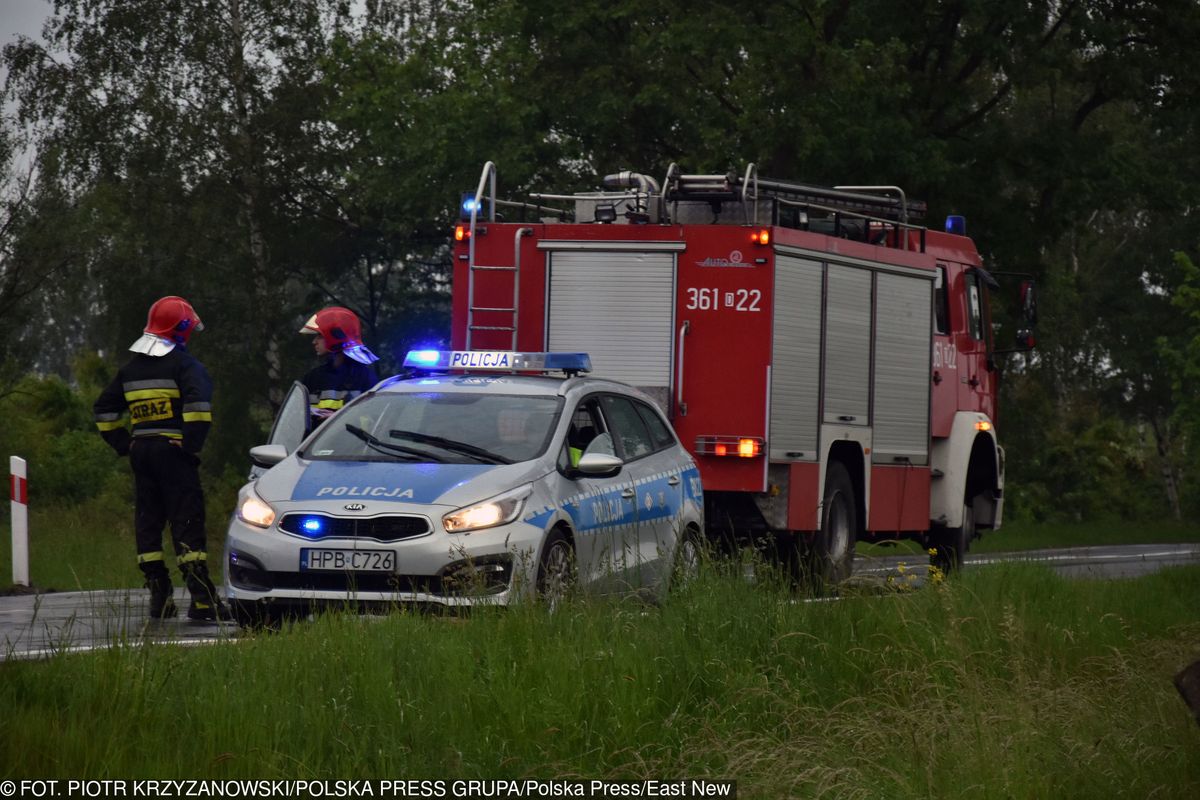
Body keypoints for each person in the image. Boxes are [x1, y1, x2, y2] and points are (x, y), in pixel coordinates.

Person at [93, 296, 230, 621]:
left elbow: (104, 410)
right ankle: (202, 601)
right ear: (181, 330)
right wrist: (189, 445)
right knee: (186, 520)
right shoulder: (186, 367)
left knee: (148, 520)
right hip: (173, 453)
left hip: (141, 454)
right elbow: (198, 409)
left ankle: (160, 596)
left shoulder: (129, 370)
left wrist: (125, 444)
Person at [299, 306, 380, 424]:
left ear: (336, 336)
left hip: (353, 442)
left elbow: (376, 419)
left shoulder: (365, 379)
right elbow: (297, 416)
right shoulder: (312, 378)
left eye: (320, 336)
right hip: (319, 442)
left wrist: (339, 418)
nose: (314, 341)